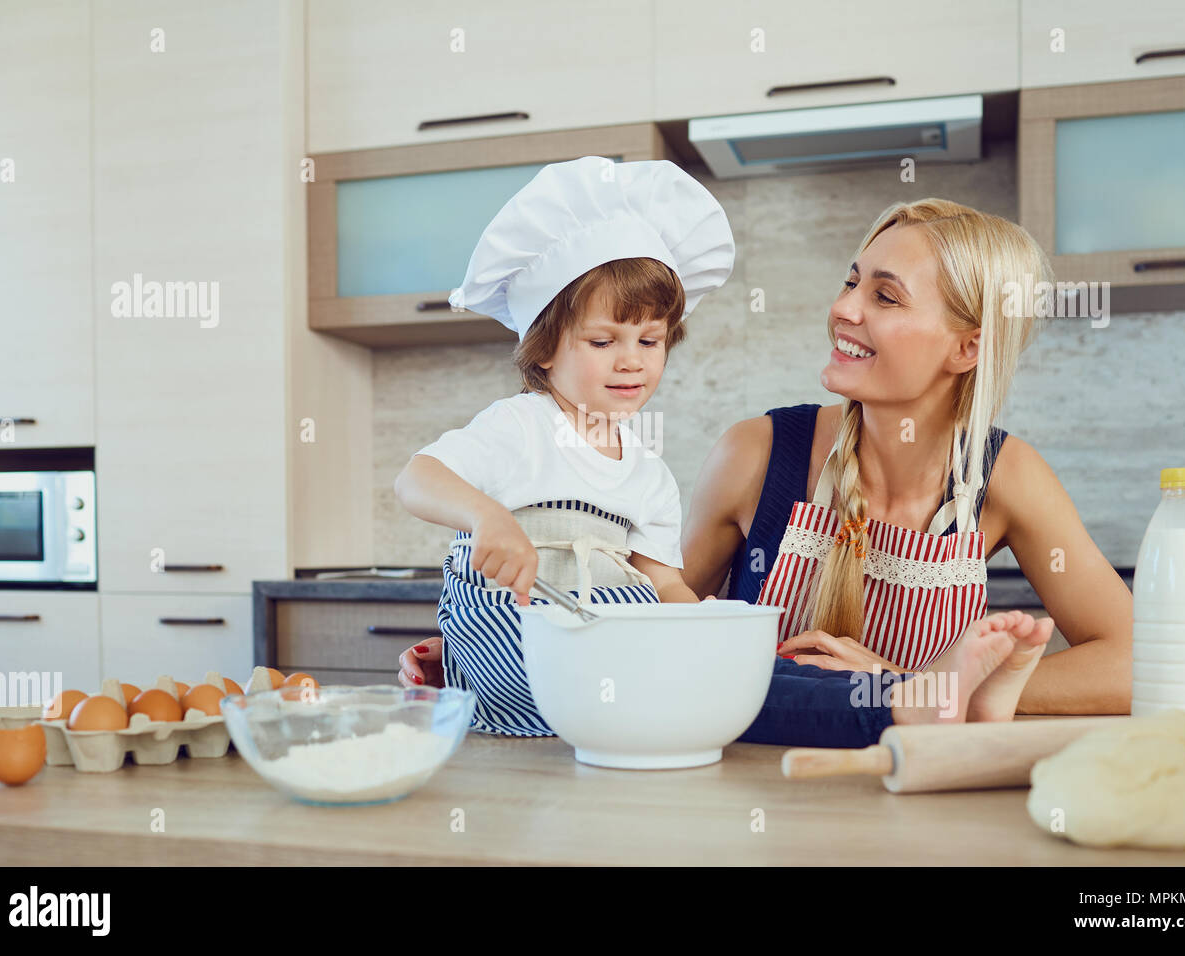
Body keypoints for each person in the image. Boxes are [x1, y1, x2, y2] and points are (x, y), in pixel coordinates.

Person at [678, 198, 1132, 746]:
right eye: (851, 282)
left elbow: (1132, 662)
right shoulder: (756, 454)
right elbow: (654, 637)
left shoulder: (1004, 476)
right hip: (750, 799)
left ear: (968, 347)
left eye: (884, 296)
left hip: (909, 802)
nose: (844, 309)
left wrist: (928, 687)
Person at [393, 156, 735, 736]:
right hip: (511, 695)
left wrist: (712, 632)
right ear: (545, 348)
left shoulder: (650, 475)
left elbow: (664, 582)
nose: (632, 360)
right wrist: (487, 517)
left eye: (650, 340)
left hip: (605, 707)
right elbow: (415, 479)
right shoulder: (519, 427)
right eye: (604, 340)